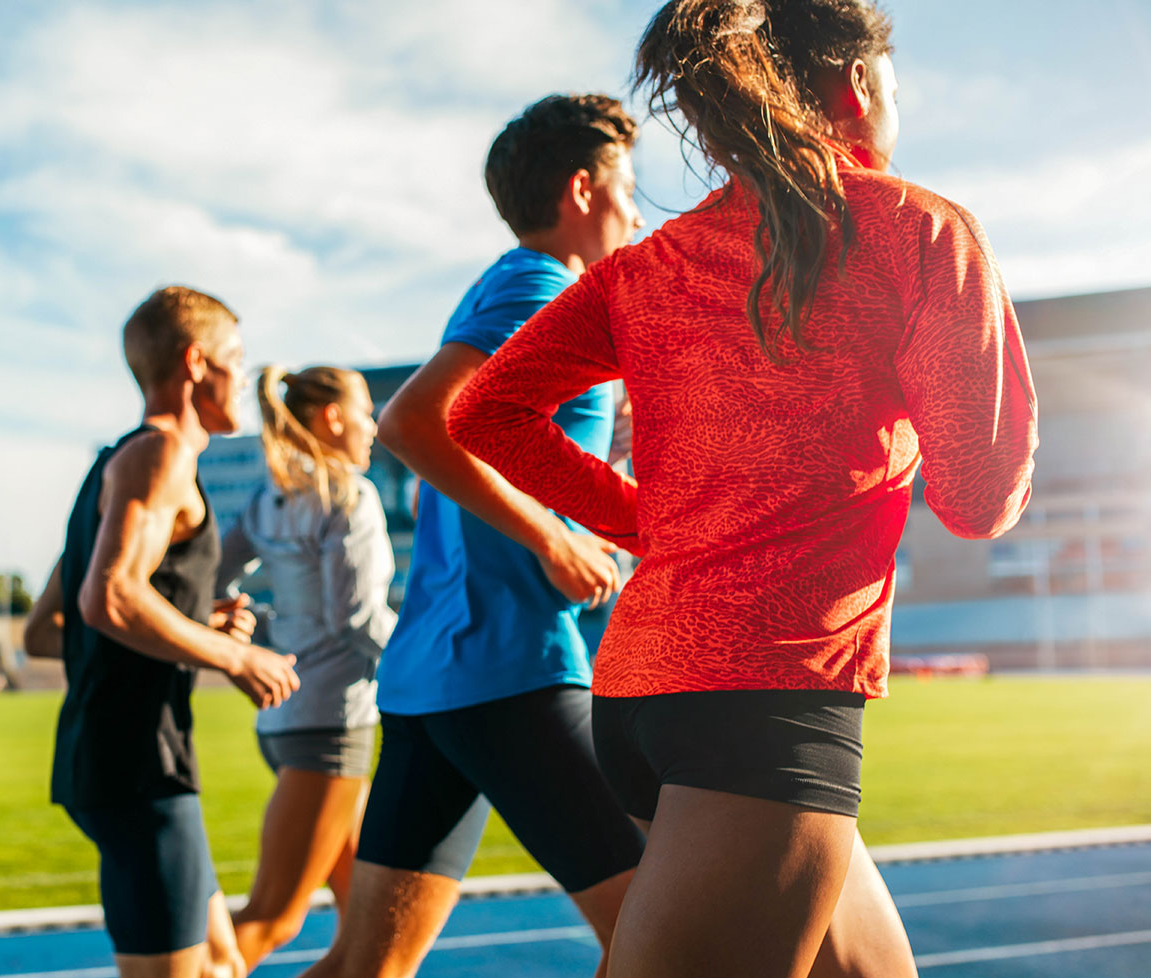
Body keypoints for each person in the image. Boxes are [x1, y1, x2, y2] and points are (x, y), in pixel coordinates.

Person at [447, 3, 1038, 976]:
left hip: (640, 690)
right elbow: (978, 501)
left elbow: (485, 414)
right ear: (858, 89)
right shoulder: (919, 230)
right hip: (764, 699)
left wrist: (646, 523)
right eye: (893, 90)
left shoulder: (646, 265)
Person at [299, 94, 647, 978]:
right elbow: (413, 423)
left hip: (436, 680)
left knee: (360, 969)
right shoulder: (542, 281)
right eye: (628, 190)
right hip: (510, 665)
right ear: (581, 189)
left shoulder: (513, 285)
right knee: (663, 939)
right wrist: (553, 541)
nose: (638, 215)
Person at [23, 286, 301, 978]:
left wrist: (192, 622)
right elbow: (110, 598)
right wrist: (234, 655)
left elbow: (45, 629)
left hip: (132, 758)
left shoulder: (110, 466)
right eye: (236, 357)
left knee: (221, 964)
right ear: (196, 362)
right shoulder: (163, 454)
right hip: (134, 762)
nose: (244, 374)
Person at [217, 365, 398, 969]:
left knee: (368, 924)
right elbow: (358, 619)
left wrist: (260, 628)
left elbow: (212, 578)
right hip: (330, 727)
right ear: (333, 417)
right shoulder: (350, 495)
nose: (374, 426)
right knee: (273, 919)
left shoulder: (270, 499)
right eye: (367, 411)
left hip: (283, 723)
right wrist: (421, 664)